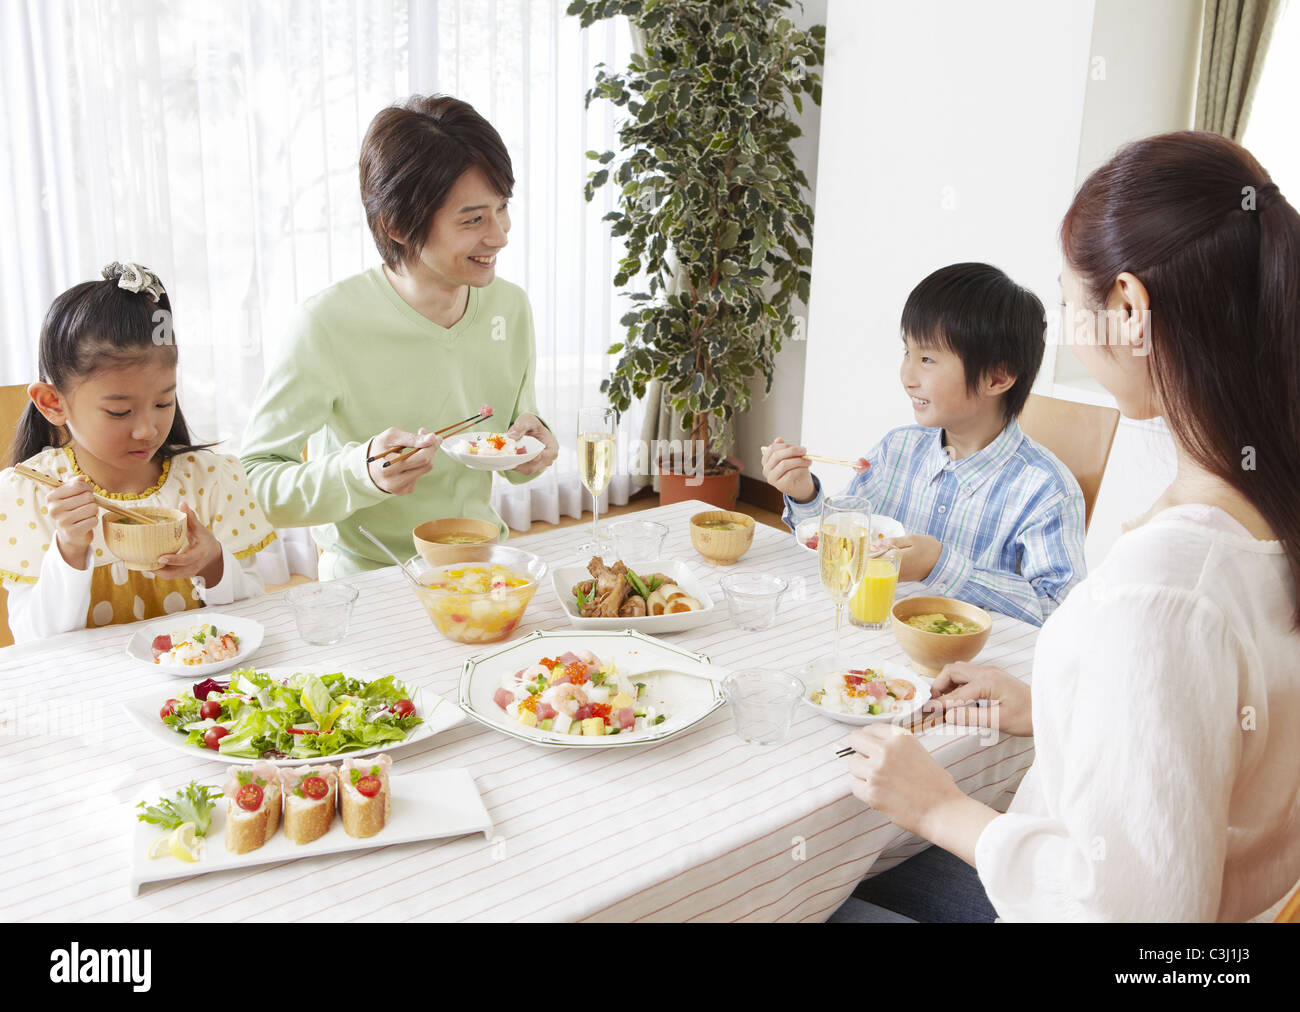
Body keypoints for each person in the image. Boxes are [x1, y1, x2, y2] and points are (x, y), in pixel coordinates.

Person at [834, 131, 1300, 922]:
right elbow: (1197, 757)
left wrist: (941, 809)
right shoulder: (1266, 515)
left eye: (1066, 298)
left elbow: (1135, 922)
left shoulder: (1161, 591)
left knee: (798, 885)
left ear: (1127, 308)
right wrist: (1051, 707)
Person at [240, 95, 558, 578]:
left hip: (481, 569)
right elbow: (254, 486)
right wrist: (360, 473)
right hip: (372, 577)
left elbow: (509, 455)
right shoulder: (325, 326)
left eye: (502, 208)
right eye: (473, 218)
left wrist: (534, 446)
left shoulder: (508, 308)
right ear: (398, 225)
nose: (499, 236)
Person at [763, 262, 1086, 626]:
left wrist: (943, 567)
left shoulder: (1045, 490)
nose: (907, 376)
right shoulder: (897, 449)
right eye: (907, 353)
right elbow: (839, 542)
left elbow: (1063, 612)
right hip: (871, 635)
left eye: (927, 359)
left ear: (997, 376)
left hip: (969, 667)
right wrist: (804, 494)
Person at [1, 263, 272, 641]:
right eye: (119, 411)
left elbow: (255, 616)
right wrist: (70, 548)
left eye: (163, 403)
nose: (148, 430)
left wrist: (212, 562)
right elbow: (34, 644)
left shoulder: (210, 480)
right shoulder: (32, 495)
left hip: (196, 695)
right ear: (52, 403)